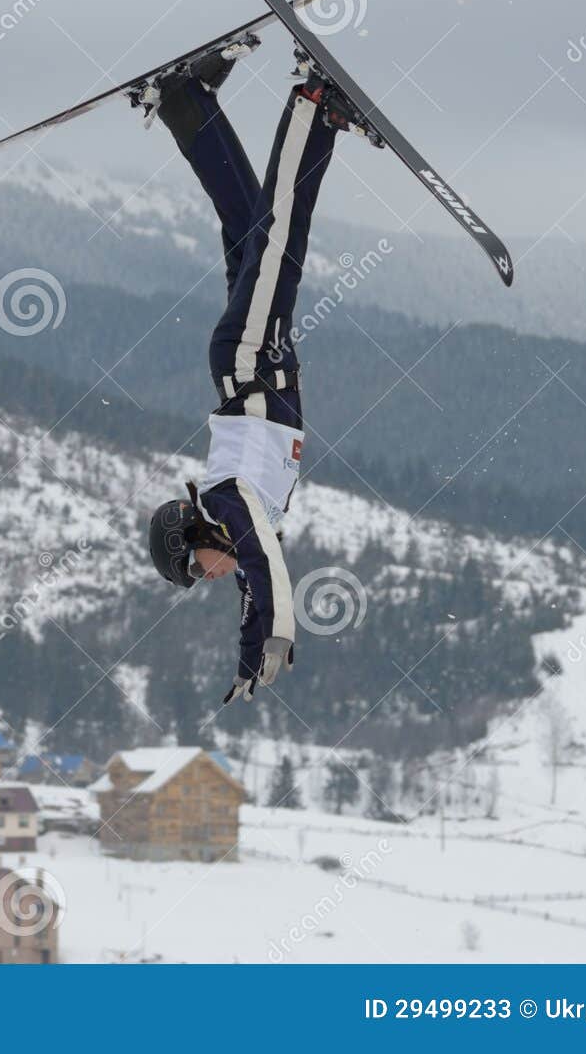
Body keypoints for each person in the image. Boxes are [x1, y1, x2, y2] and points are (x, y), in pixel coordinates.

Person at [144, 46, 370, 705]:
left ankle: (315, 106)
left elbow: (264, 570)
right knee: (250, 232)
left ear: (192, 534)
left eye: (195, 568)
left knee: (278, 244)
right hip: (255, 365)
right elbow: (252, 578)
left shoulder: (225, 503)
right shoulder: (240, 528)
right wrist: (249, 654)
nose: (206, 577)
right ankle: (187, 104)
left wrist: (269, 640)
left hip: (248, 361)